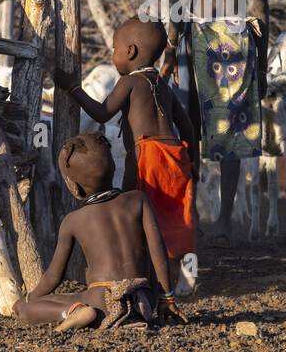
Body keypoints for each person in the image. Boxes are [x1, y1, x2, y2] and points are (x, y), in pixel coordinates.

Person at [164, 0, 270, 245]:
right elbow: (260, 6)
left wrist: (172, 44)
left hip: (201, 39)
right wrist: (263, 64)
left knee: (191, 125)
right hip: (239, 41)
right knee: (233, 131)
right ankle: (225, 220)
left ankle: (189, 214)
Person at [55, 17, 199, 291]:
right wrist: (194, 163)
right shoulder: (162, 85)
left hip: (147, 155)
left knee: (138, 211)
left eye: (114, 49)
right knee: (175, 215)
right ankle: (181, 278)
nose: (113, 56)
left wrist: (73, 88)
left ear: (130, 52)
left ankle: (146, 277)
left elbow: (101, 112)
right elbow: (187, 125)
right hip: (175, 156)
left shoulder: (130, 83)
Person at [12, 131, 186, 330]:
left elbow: (54, 276)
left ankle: (73, 313)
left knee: (26, 308)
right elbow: (158, 249)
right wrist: (167, 298)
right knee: (71, 297)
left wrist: (31, 299)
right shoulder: (138, 200)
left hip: (102, 303)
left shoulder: (73, 220)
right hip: (144, 299)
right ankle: (121, 313)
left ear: (72, 184)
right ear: (112, 166)